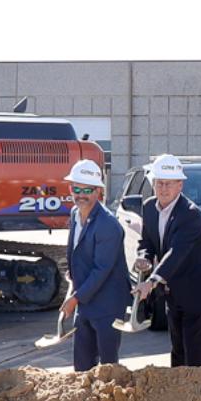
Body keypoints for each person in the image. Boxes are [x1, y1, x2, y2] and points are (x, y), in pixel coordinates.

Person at [135, 153, 201, 366]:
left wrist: (152, 281)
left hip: (196, 290)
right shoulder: (149, 207)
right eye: (159, 183)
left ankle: (196, 396)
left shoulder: (190, 214)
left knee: (194, 357)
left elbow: (177, 252)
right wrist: (143, 258)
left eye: (169, 184)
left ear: (180, 185)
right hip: (172, 289)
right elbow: (148, 242)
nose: (163, 189)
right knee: (177, 351)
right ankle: (179, 396)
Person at [60, 158, 131, 372]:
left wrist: (75, 299)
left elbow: (102, 270)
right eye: (77, 188)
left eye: (87, 190)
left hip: (108, 303)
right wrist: (72, 275)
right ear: (70, 188)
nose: (81, 195)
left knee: (107, 366)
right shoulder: (75, 214)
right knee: (82, 364)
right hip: (86, 298)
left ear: (98, 191)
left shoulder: (108, 225)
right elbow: (76, 251)